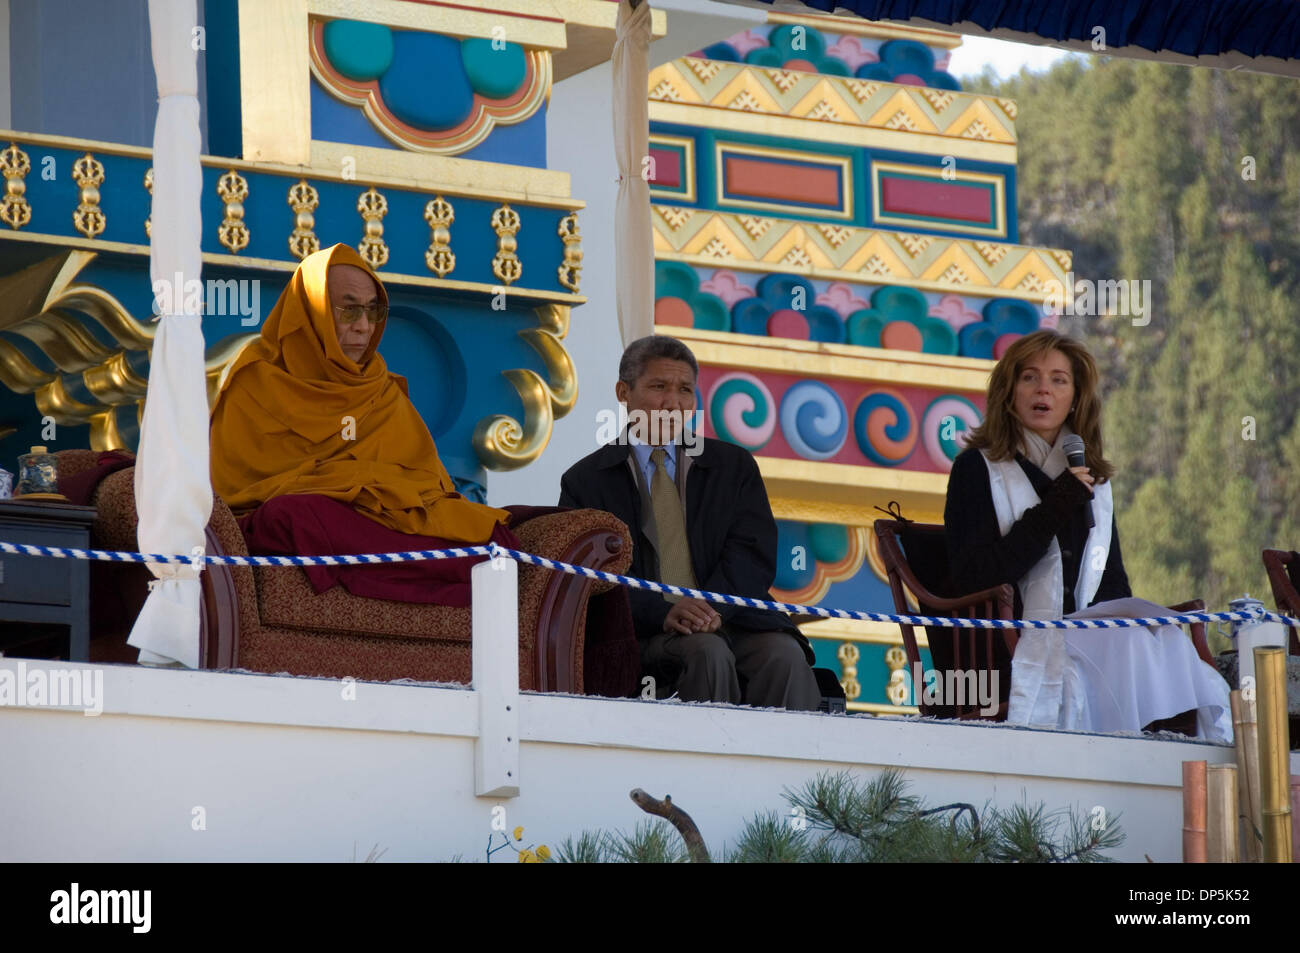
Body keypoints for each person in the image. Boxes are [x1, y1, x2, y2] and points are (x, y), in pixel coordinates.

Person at [944, 329, 1232, 739]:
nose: (1043, 388)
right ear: (1009, 392)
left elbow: (1109, 580)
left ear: (1075, 397)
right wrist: (1055, 507)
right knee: (1130, 650)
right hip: (1011, 639)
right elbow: (975, 575)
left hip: (1086, 632)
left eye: (1059, 380)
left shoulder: (1091, 481)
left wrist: (1131, 616)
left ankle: (1172, 762)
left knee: (1160, 640)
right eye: (1029, 377)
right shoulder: (977, 469)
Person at [208, 243, 518, 605]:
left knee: (494, 540)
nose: (364, 327)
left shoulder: (381, 389)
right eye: (349, 310)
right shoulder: (255, 382)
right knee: (289, 517)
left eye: (373, 311)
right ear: (311, 311)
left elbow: (427, 491)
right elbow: (234, 494)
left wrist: (367, 485)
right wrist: (347, 481)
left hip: (367, 521)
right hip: (301, 519)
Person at [558, 335, 822, 711]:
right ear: (623, 392)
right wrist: (664, 611)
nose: (673, 403)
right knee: (707, 653)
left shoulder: (733, 467)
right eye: (658, 387)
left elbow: (752, 554)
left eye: (685, 390)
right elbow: (589, 579)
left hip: (731, 616)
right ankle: (712, 769)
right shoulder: (587, 481)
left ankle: (795, 770)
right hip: (647, 630)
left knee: (783, 655)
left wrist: (709, 607)